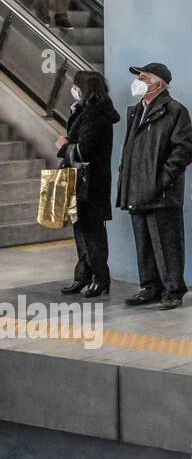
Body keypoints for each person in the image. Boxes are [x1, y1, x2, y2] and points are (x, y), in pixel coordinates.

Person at [118, 63, 192, 310]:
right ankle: (150, 287)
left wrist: (162, 180)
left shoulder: (175, 111)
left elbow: (183, 151)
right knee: (144, 242)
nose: (138, 80)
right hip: (136, 188)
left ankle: (173, 289)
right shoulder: (135, 110)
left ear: (159, 83)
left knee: (167, 242)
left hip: (161, 191)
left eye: (144, 77)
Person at [56, 71, 119, 298]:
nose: (72, 89)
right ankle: (83, 276)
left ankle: (100, 278)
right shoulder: (85, 111)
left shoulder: (95, 115)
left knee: (92, 233)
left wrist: (64, 146)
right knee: (81, 230)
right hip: (82, 181)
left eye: (75, 86)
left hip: (91, 183)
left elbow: (85, 150)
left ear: (84, 88)